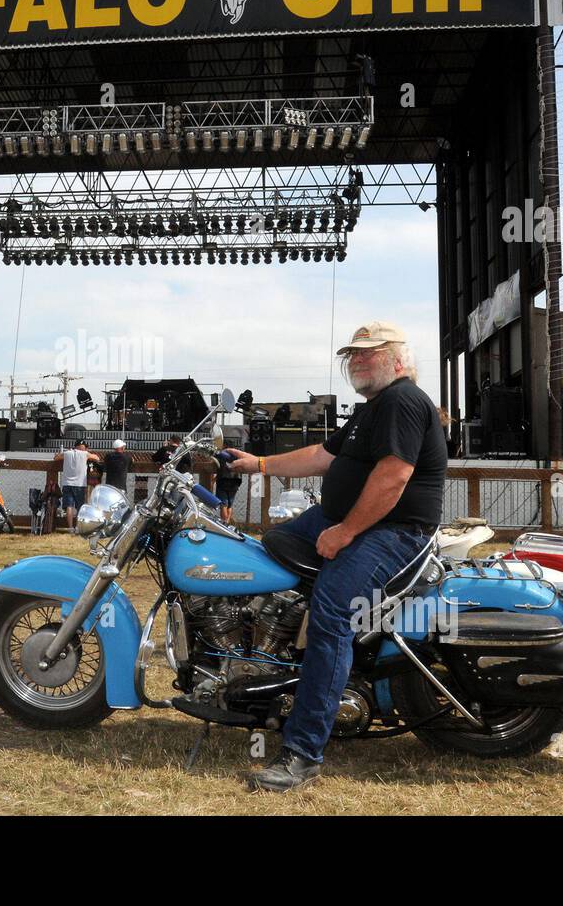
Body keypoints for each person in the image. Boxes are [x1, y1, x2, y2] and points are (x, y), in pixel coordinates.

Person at [225, 322, 447, 792]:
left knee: (331, 613)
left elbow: (395, 475)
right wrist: (258, 464)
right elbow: (323, 456)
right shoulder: (372, 408)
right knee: (270, 547)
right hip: (344, 520)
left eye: (371, 353)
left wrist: (345, 531)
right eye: (354, 355)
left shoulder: (403, 401)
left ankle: (303, 752)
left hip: (391, 533)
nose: (360, 361)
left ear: (399, 360)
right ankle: (276, 655)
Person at [58, 440, 100, 530]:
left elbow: (56, 458)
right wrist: (88, 454)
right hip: (80, 484)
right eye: (85, 447)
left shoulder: (67, 453)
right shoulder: (85, 454)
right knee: (80, 507)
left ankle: (70, 527)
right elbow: (97, 458)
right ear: (83, 447)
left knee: (69, 506)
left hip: (67, 483)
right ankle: (78, 527)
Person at [215, 450, 242, 523]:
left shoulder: (221, 455)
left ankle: (224, 524)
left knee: (223, 504)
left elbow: (214, 462)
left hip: (223, 481)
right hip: (235, 482)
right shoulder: (238, 456)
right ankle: (227, 522)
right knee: (229, 505)